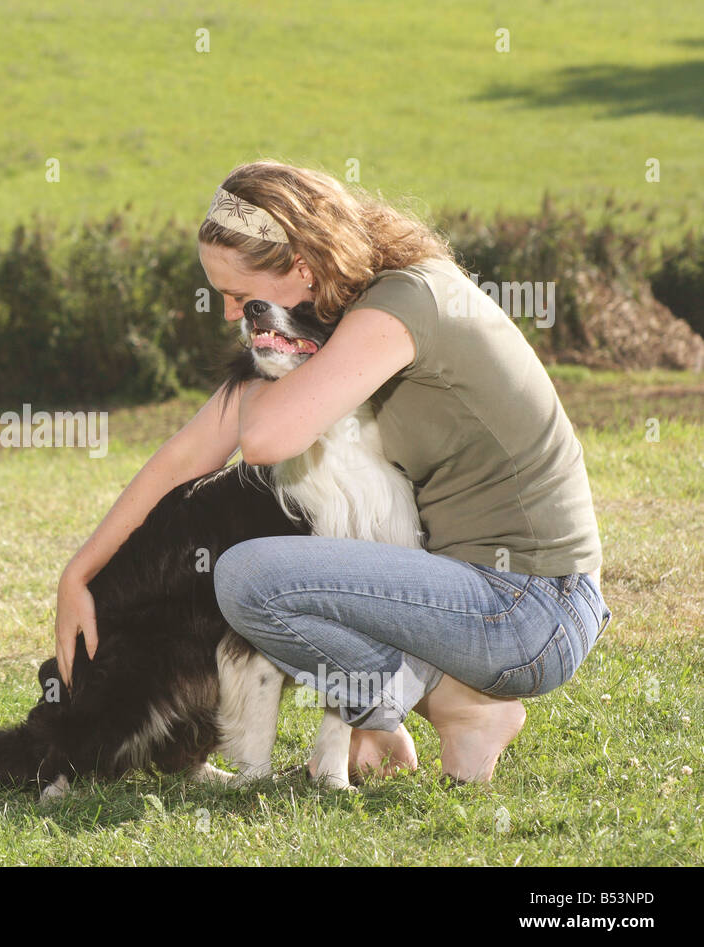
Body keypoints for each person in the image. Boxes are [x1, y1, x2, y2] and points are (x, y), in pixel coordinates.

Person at [53, 160, 612, 785]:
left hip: (529, 606)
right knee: (314, 558)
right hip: (485, 594)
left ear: (303, 269)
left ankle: (422, 705)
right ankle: (444, 708)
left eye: (243, 299)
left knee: (251, 575)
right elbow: (191, 453)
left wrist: (266, 352)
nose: (235, 315)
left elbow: (262, 438)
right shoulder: (343, 311)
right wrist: (80, 572)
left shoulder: (399, 305)